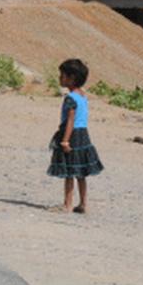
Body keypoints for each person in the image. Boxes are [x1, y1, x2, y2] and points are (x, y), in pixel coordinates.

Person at [48, 59, 104, 212]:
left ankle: (67, 204)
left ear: (71, 78)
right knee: (81, 172)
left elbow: (70, 120)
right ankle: (83, 204)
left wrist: (65, 140)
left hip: (72, 134)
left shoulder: (70, 98)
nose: (60, 78)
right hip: (83, 134)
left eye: (62, 75)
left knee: (69, 171)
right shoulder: (82, 95)